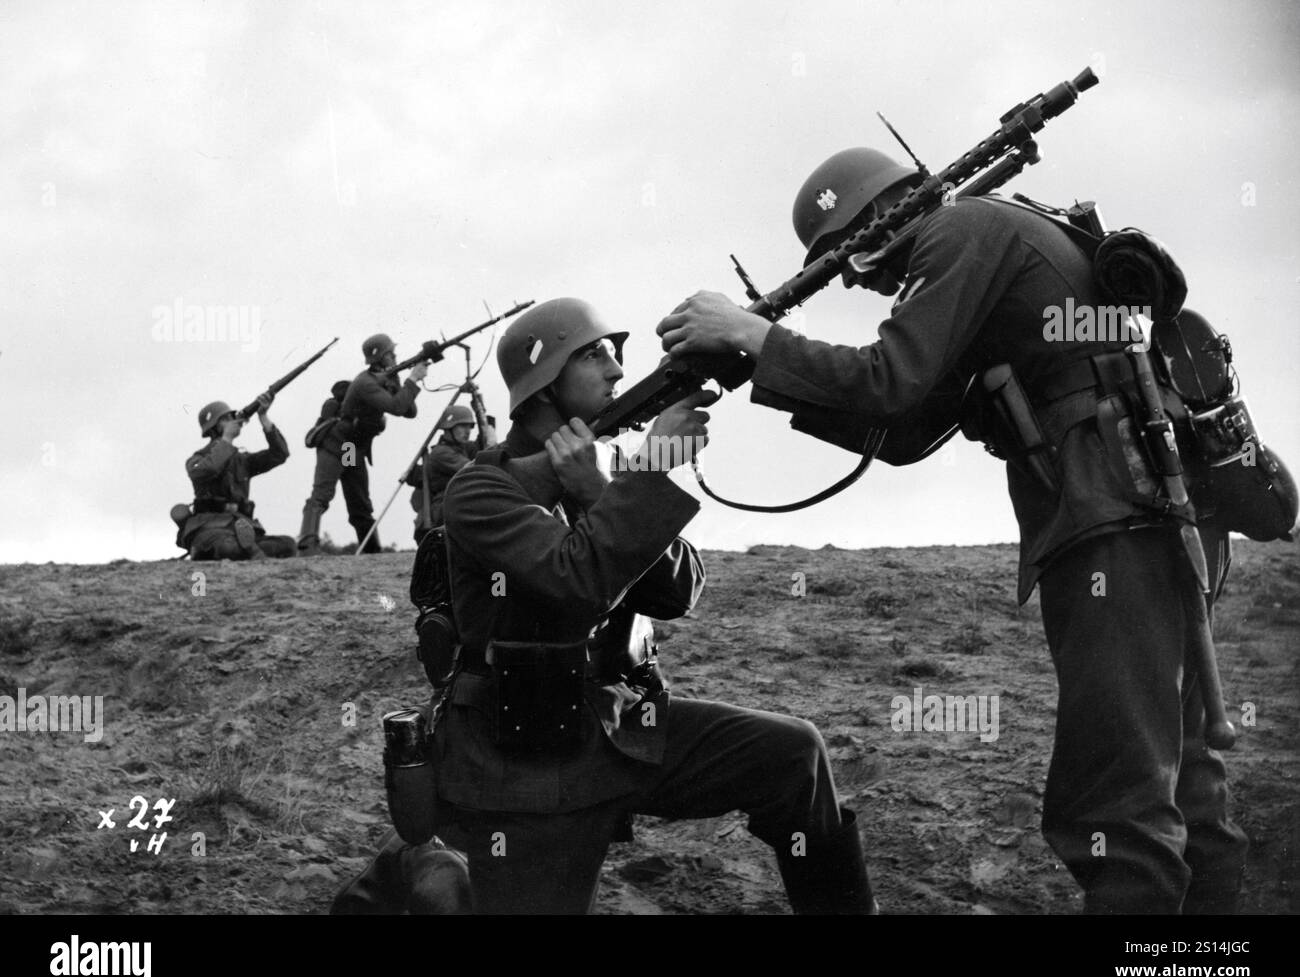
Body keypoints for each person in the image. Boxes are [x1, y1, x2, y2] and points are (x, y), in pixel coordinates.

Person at [654, 148, 1248, 915]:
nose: (861, 284)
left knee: (1116, 805)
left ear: (868, 227)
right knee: (1187, 786)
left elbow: (888, 377)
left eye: (846, 264)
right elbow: (903, 429)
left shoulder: (958, 230)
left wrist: (753, 333)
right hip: (1158, 520)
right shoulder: (995, 237)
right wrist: (762, 371)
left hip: (1113, 527)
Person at [333, 297, 876, 916]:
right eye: (594, 355)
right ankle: (425, 868)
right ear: (542, 386)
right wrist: (637, 476)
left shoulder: (600, 470)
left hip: (620, 727)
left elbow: (677, 591)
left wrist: (616, 483)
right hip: (525, 766)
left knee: (793, 755)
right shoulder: (480, 490)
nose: (618, 370)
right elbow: (576, 583)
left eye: (616, 354)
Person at [297, 335, 429, 554]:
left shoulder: (384, 379)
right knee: (322, 495)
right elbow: (396, 407)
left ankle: (371, 552)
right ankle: (306, 547)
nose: (395, 357)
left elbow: (410, 411)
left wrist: (399, 380)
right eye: (391, 354)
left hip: (352, 448)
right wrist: (412, 380)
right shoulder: (365, 383)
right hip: (336, 444)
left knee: (360, 503)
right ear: (381, 357)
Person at [177, 393, 296, 560]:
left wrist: (263, 417)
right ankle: (249, 552)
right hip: (209, 528)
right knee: (227, 547)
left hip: (241, 525)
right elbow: (208, 469)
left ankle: (250, 550)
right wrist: (227, 439)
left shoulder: (242, 460)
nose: (232, 421)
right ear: (213, 428)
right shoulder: (197, 459)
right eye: (225, 419)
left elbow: (279, 454)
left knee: (288, 544)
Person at [406, 404, 480, 545]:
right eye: (462, 426)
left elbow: (481, 449)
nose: (467, 431)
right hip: (441, 515)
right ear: (449, 428)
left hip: (450, 510)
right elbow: (474, 469)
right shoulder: (441, 453)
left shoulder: (461, 448)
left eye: (470, 427)